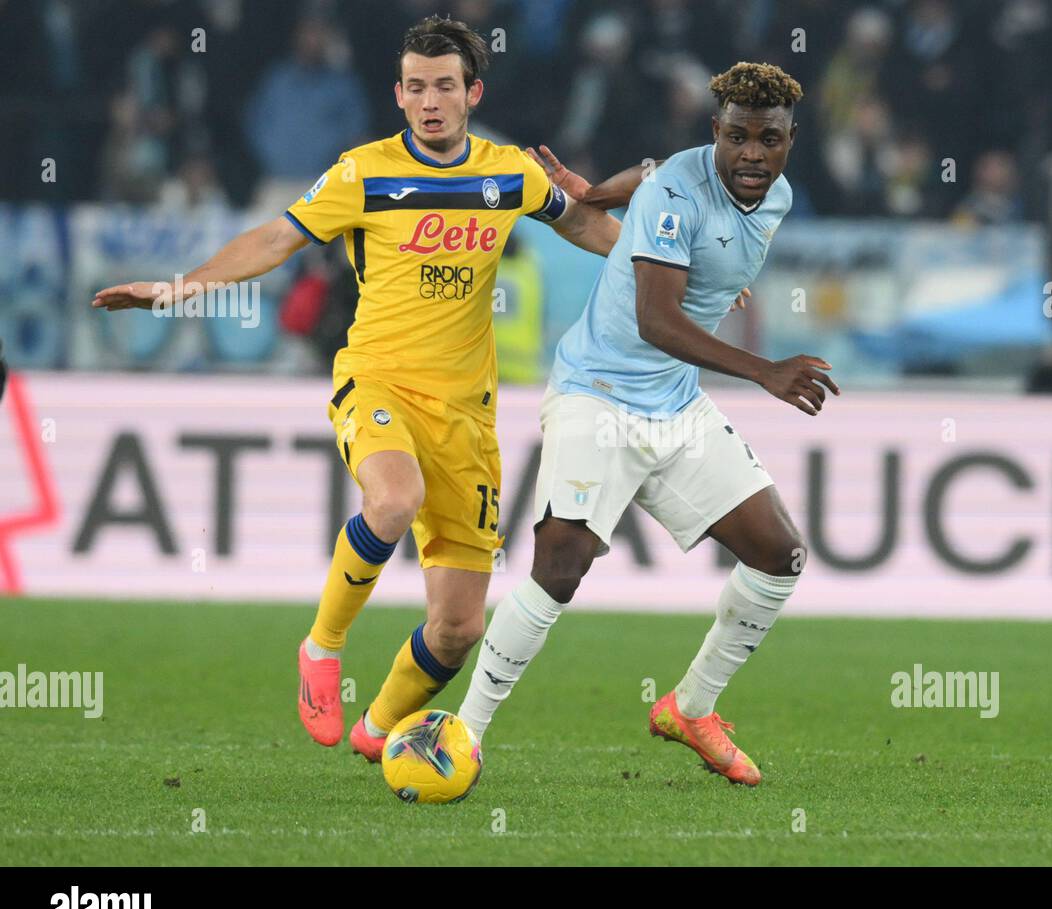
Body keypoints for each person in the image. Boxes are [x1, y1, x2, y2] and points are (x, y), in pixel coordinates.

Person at [91, 16, 622, 760]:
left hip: (466, 417)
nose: (429, 101)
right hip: (377, 382)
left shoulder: (511, 175)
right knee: (394, 500)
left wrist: (673, 270)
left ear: (473, 92)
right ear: (397, 95)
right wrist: (182, 286)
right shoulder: (362, 173)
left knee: (459, 627)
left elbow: (584, 226)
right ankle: (322, 646)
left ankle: (377, 733)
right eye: (415, 87)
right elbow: (275, 238)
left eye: (444, 86)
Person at [456, 62, 837, 786]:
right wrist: (763, 370)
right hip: (598, 394)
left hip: (675, 404)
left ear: (791, 140)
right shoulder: (676, 194)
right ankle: (464, 734)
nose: (752, 154)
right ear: (715, 133)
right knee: (561, 563)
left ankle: (691, 709)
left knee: (779, 554)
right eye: (737, 137)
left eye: (769, 138)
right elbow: (656, 320)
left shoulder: (775, 194)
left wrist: (591, 194)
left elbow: (646, 171)